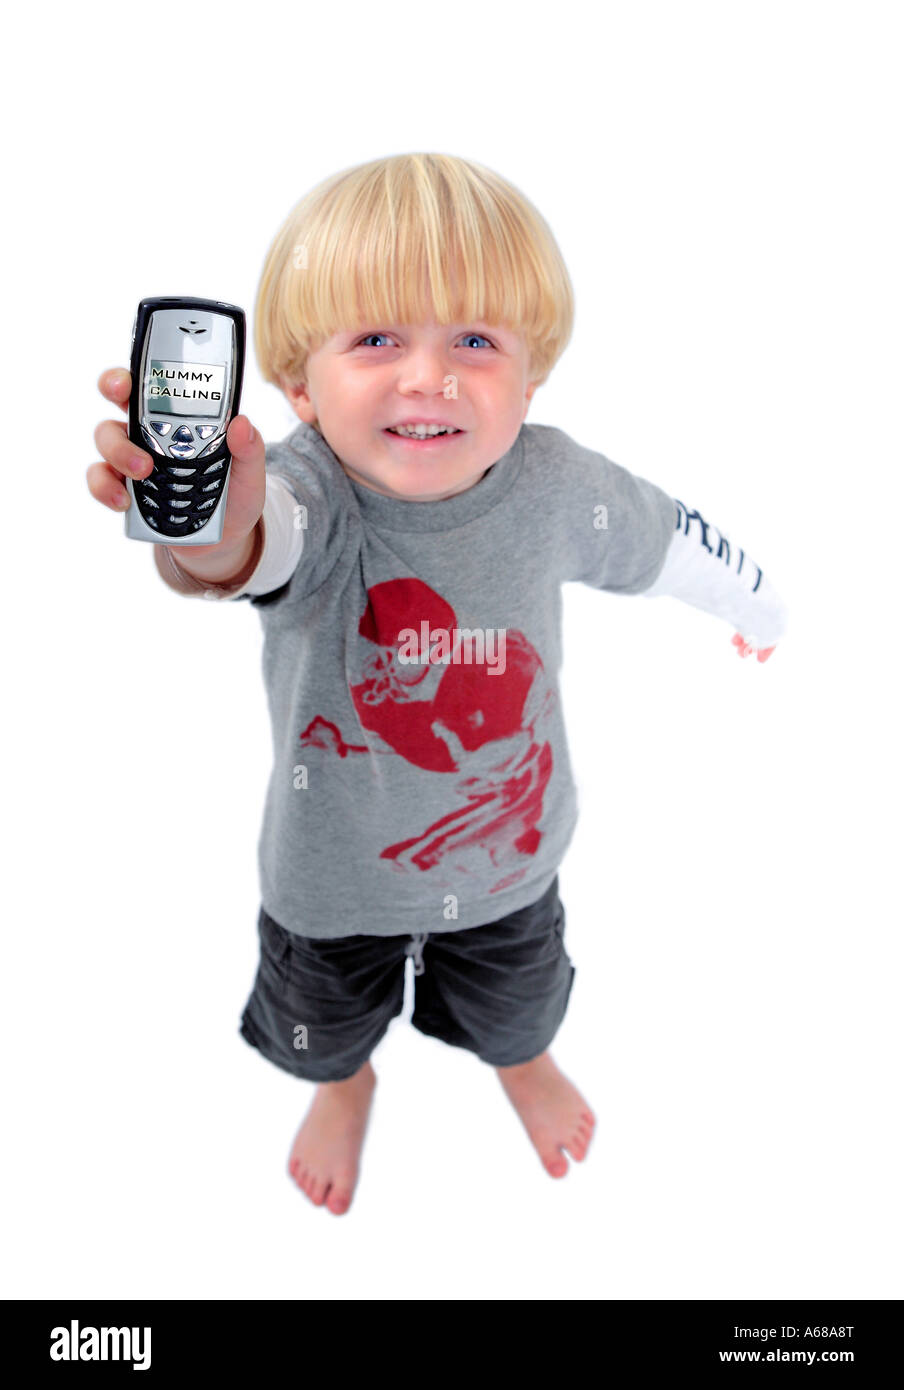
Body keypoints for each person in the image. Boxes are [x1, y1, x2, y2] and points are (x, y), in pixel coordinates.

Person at [87, 152, 788, 1217]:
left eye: (474, 340)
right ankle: (345, 1080)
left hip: (508, 859)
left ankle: (518, 1062)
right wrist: (214, 520)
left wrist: (758, 611)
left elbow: (669, 538)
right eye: (375, 339)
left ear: (532, 371)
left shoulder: (559, 484)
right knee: (319, 1028)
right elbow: (252, 546)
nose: (429, 377)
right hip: (330, 882)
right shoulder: (309, 491)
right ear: (294, 385)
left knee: (520, 1004)